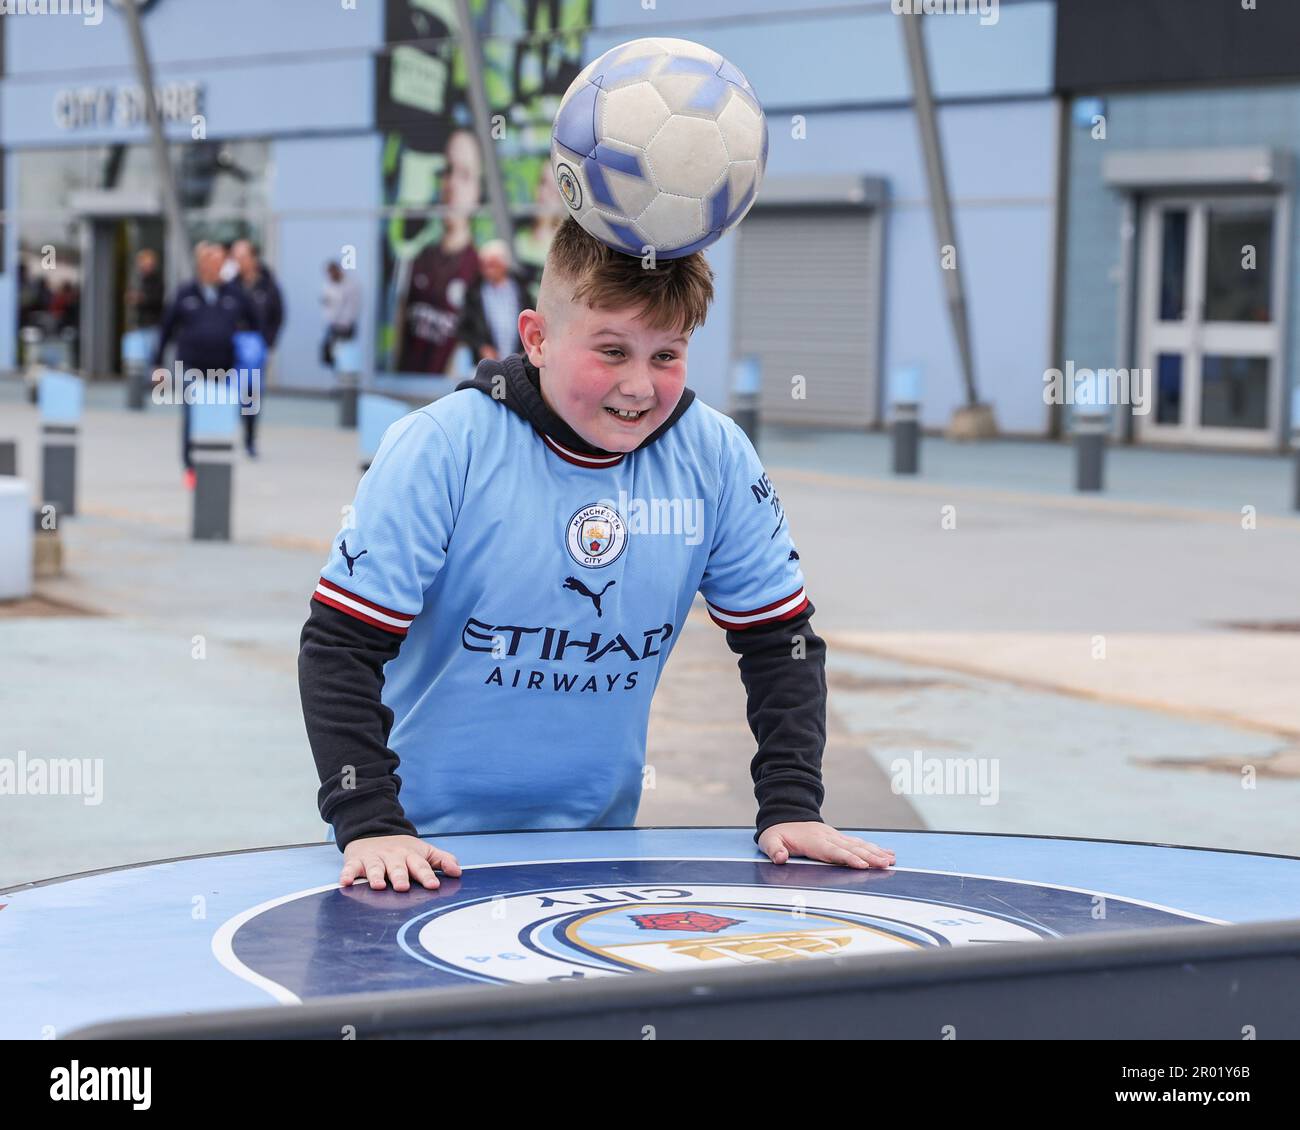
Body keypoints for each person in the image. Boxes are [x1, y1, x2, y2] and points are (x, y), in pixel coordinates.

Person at [298, 216, 896, 891]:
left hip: (594, 851)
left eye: (666, 355)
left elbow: (778, 638)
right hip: (417, 852)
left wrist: (791, 803)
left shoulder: (714, 455)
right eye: (612, 351)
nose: (640, 385)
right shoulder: (440, 447)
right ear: (537, 338)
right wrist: (371, 820)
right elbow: (340, 647)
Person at [154, 242, 261, 486]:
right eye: (213, 261)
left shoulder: (234, 294)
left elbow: (256, 323)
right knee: (192, 416)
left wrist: (254, 349)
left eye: (221, 262)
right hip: (191, 367)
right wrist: (158, 364)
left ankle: (215, 469)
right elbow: (166, 328)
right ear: (202, 264)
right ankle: (190, 466)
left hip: (224, 370)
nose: (218, 266)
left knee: (220, 417)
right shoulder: (185, 293)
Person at [394, 129, 483, 373]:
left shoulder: (479, 271)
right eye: (447, 171)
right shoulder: (415, 261)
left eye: (465, 175)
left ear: (478, 191)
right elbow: (399, 338)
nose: (452, 183)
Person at [232, 240, 284, 457]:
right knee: (233, 393)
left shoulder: (267, 285)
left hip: (256, 348)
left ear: (252, 258)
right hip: (233, 348)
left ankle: (250, 438)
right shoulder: (231, 285)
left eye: (242, 256)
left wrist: (267, 341)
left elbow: (278, 314)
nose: (238, 261)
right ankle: (229, 431)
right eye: (236, 257)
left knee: (252, 394)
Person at [454, 240, 530, 362]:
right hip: (487, 363)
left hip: (519, 360)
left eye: (492, 264)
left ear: (504, 264)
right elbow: (463, 329)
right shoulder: (474, 291)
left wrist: (526, 348)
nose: (487, 269)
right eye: (484, 264)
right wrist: (481, 347)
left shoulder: (520, 287)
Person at [320, 262, 361, 368]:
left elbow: (353, 307)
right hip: (333, 325)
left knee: (346, 356)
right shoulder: (328, 285)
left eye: (333, 273)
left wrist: (346, 322)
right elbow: (327, 305)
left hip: (346, 327)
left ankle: (346, 380)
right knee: (331, 356)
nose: (331, 276)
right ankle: (338, 378)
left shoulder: (351, 285)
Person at [125, 249, 165, 330]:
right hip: (137, 325)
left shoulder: (157, 280)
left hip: (152, 325)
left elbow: (156, 299)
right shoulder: (137, 280)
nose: (143, 266)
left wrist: (140, 298)